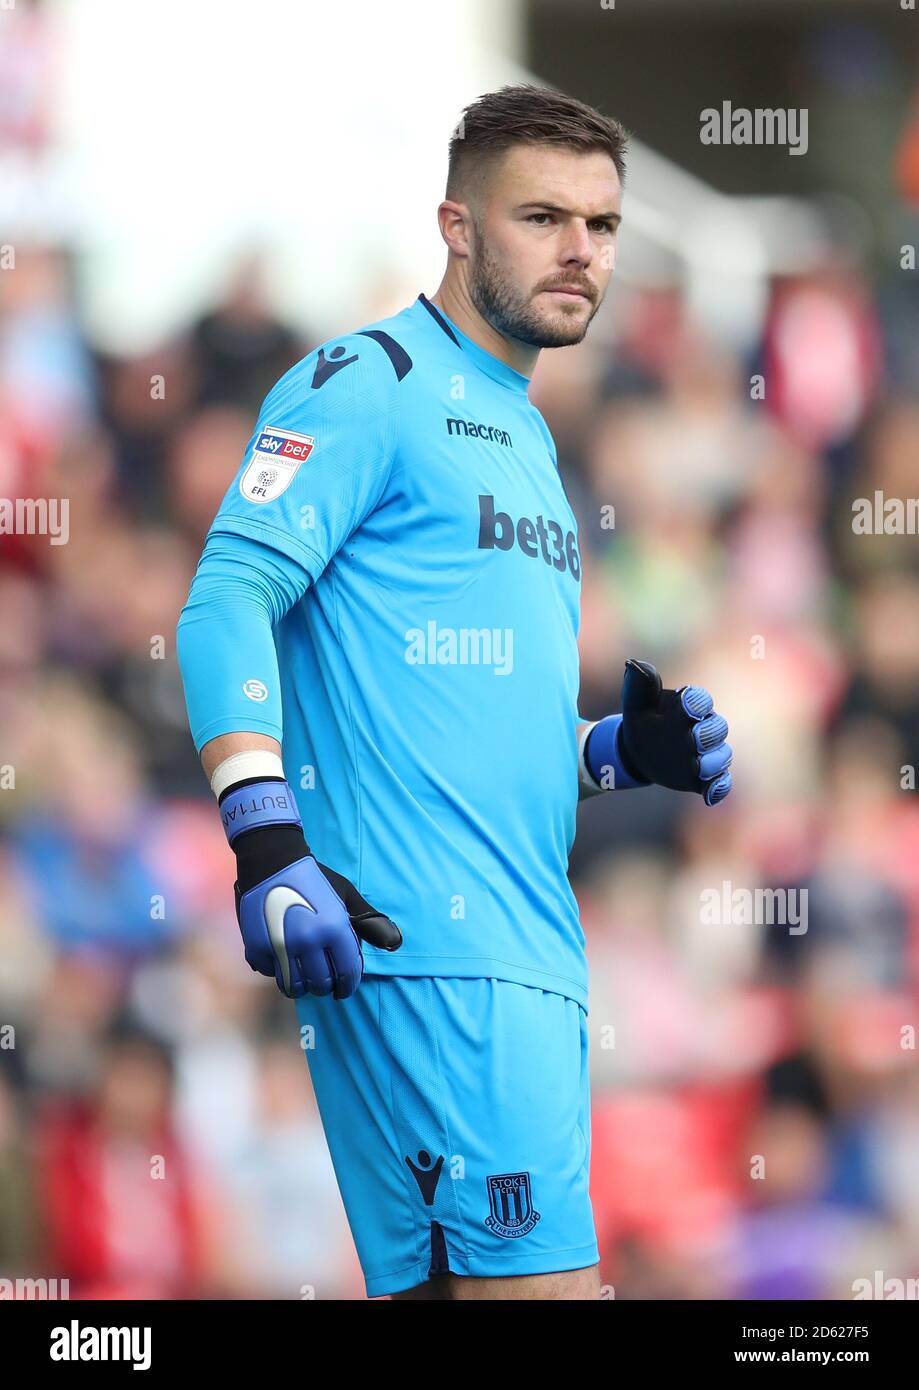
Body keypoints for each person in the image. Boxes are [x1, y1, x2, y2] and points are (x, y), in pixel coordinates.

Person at [177, 83, 732, 1301]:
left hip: (517, 958)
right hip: (444, 962)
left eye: (601, 224)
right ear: (457, 224)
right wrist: (265, 840)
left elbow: (482, 723)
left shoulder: (532, 440)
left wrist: (614, 753)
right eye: (542, 216)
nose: (580, 250)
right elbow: (225, 601)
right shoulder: (365, 379)